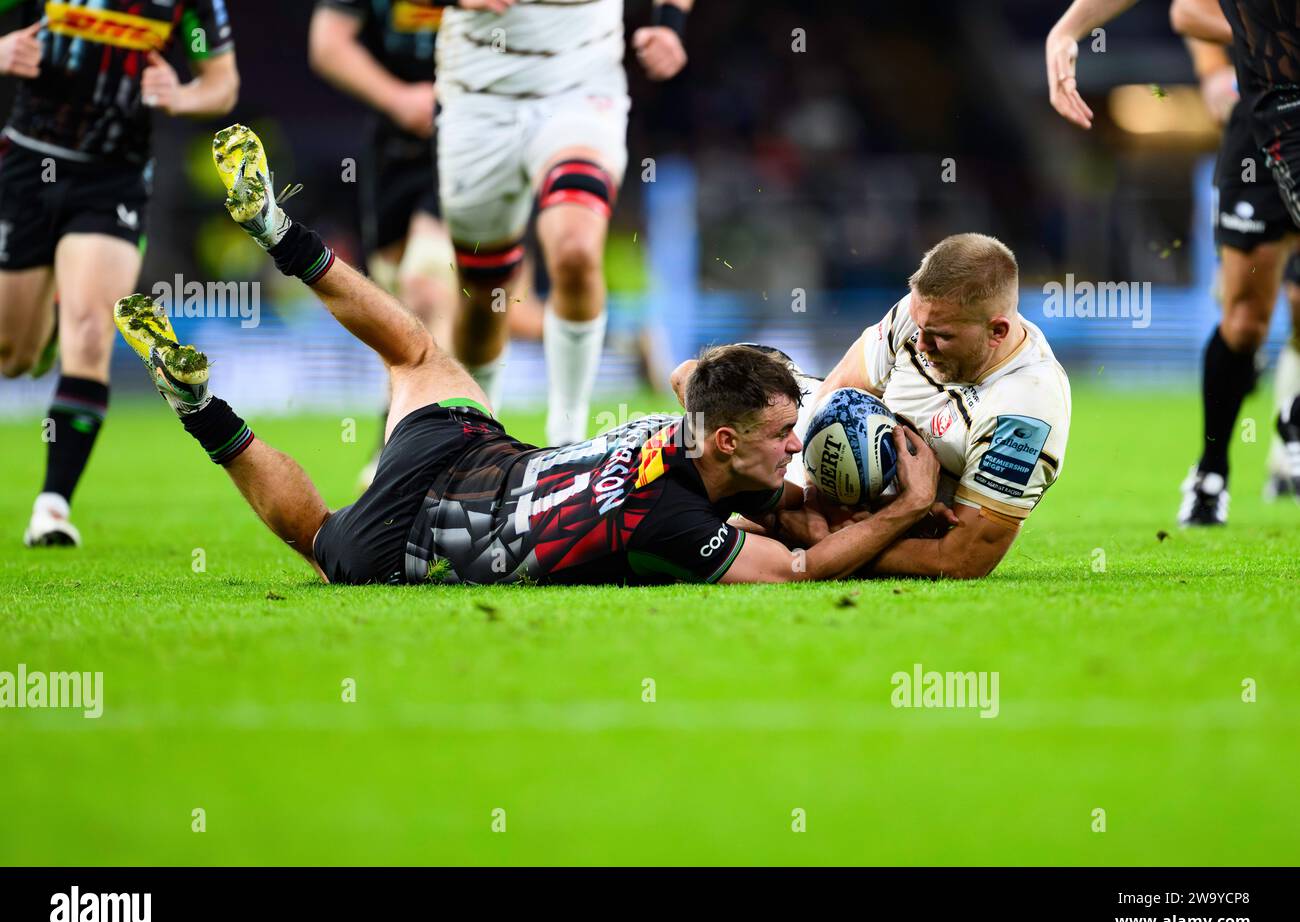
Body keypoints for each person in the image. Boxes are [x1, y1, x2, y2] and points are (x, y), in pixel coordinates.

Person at [112, 124, 944, 587]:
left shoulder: (682, 424)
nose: (794, 449)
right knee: (323, 535)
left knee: (415, 351)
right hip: (417, 545)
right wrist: (903, 511)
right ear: (724, 442)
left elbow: (708, 391)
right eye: (784, 437)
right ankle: (199, 409)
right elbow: (795, 571)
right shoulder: (676, 522)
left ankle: (280, 234)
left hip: (466, 450)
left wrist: (799, 480)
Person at [673, 235, 1073, 579]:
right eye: (918, 326)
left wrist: (835, 542)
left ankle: (726, 507)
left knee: (723, 530)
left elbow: (963, 557)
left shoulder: (1025, 409)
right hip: (817, 465)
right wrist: (816, 500)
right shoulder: (922, 316)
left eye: (939, 337)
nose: (920, 343)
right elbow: (836, 393)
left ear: (996, 331)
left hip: (882, 516)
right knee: (692, 376)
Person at [1045, 0, 1300, 515]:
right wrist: (1069, 28)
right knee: (1246, 316)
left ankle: (1291, 427)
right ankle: (1212, 470)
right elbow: (1187, 12)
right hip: (1263, 122)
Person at [0, 0, 239, 546]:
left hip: (114, 180)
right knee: (13, 355)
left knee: (90, 332)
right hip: (26, 166)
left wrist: (180, 96)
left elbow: (221, 84)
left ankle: (52, 507)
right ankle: (45, 324)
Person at [435, 0, 693, 445]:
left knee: (575, 249)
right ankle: (475, 441)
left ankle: (565, 442)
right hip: (479, 95)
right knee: (484, 293)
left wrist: (670, 23)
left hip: (581, 86)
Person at [307, 0, 540, 486]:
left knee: (426, 285)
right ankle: (423, 438)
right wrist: (398, 98)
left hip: (476, 132)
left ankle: (428, 449)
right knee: (394, 303)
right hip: (394, 142)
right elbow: (328, 44)